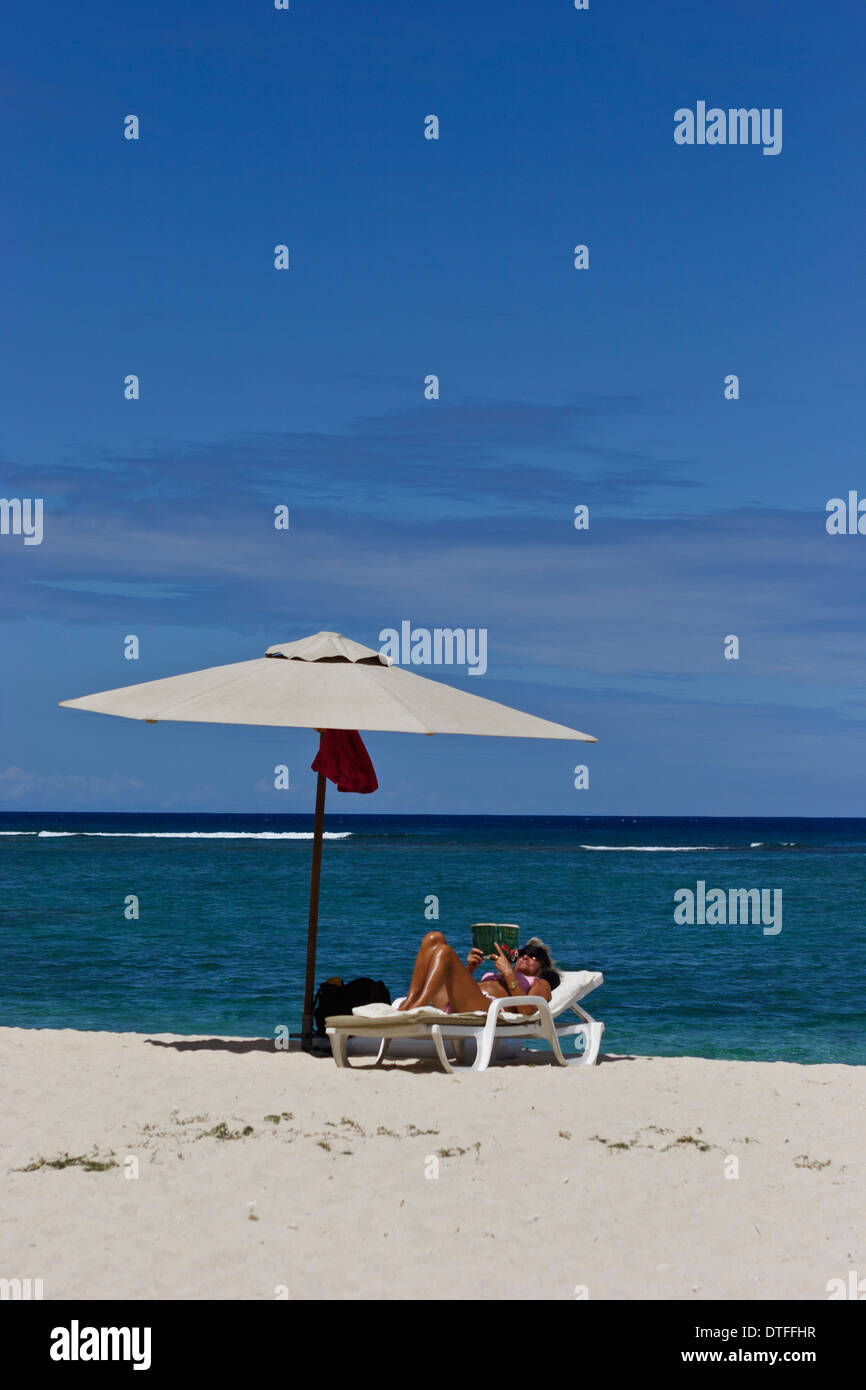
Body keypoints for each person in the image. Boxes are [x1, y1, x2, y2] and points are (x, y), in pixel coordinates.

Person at [397, 931, 560, 1019]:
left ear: (543, 966)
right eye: (523, 953)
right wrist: (469, 969)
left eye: (534, 956)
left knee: (445, 953)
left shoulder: (540, 982)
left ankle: (417, 1006)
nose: (525, 956)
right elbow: (463, 991)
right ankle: (411, 1000)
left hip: (487, 1009)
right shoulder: (496, 974)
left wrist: (509, 974)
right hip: (455, 1004)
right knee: (434, 938)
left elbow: (528, 1011)